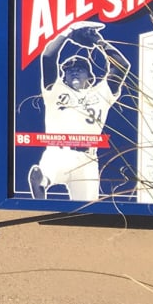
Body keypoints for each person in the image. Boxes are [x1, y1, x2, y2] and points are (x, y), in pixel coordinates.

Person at [26, 21, 131, 201]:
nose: (74, 72)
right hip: (58, 152)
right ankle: (41, 182)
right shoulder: (55, 90)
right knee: (45, 174)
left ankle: (44, 183)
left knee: (88, 209)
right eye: (69, 70)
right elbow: (48, 57)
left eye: (80, 69)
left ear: (90, 77)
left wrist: (99, 41)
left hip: (88, 159)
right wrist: (69, 31)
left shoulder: (102, 92)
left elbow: (121, 65)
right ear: (63, 76)